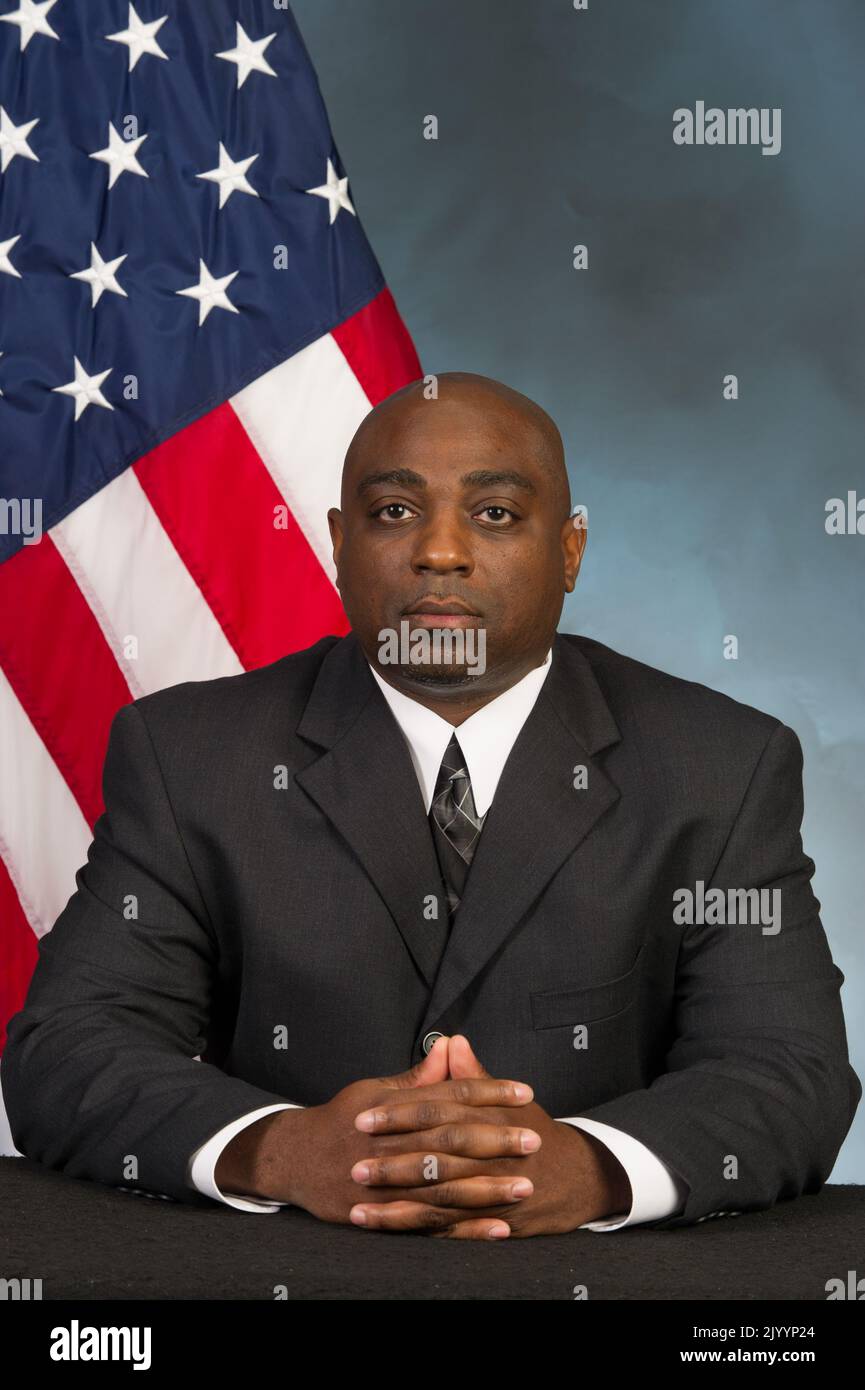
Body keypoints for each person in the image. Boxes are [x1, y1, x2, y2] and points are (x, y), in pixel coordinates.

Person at [3, 373, 859, 1240]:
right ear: (338, 544)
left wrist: (592, 1167)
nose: (439, 552)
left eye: (493, 514)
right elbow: (69, 1050)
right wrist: (283, 1150)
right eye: (392, 513)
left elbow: (786, 1066)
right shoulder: (190, 755)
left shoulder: (718, 764)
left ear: (568, 550)